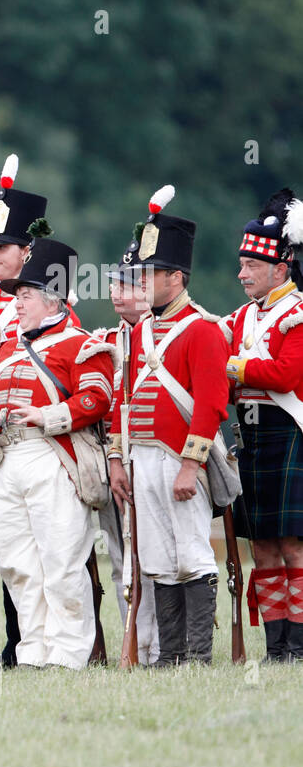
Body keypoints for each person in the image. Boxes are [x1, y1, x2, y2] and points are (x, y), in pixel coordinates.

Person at [0, 237, 114, 668]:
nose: (17, 303)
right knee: (18, 564)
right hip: (5, 461)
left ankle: (69, 654)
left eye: (26, 295)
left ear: (52, 300)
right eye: (17, 295)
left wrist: (49, 415)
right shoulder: (3, 348)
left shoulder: (79, 343)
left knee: (61, 560)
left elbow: (98, 397)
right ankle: (33, 651)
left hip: (52, 456)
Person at [108, 186, 229, 665]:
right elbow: (125, 396)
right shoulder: (140, 331)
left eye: (150, 274)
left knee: (192, 556)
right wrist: (119, 459)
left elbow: (211, 403)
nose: (141, 283)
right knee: (156, 559)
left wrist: (189, 465)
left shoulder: (203, 329)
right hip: (142, 457)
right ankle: (169, 655)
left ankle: (197, 656)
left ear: (175, 277)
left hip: (181, 458)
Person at [0, 154, 54, 667]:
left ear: (27, 251)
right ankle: (16, 642)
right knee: (11, 550)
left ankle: (60, 642)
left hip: (40, 444)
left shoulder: (53, 300)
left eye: (2, 247)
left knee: (54, 549)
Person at [224, 188, 303, 660]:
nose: (241, 274)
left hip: (288, 432)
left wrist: (235, 368)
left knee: (294, 546)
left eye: (251, 266)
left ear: (280, 268)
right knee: (264, 547)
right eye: (241, 265)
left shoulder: (298, 314)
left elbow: (287, 374)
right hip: (252, 435)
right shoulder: (239, 319)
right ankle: (276, 644)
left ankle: (299, 642)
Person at [97, 262, 159, 664]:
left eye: (129, 285)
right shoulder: (105, 340)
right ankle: (132, 644)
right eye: (115, 285)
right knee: (122, 562)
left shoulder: (170, 333)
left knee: (157, 560)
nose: (118, 293)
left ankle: (160, 647)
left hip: (155, 456)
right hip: (115, 459)